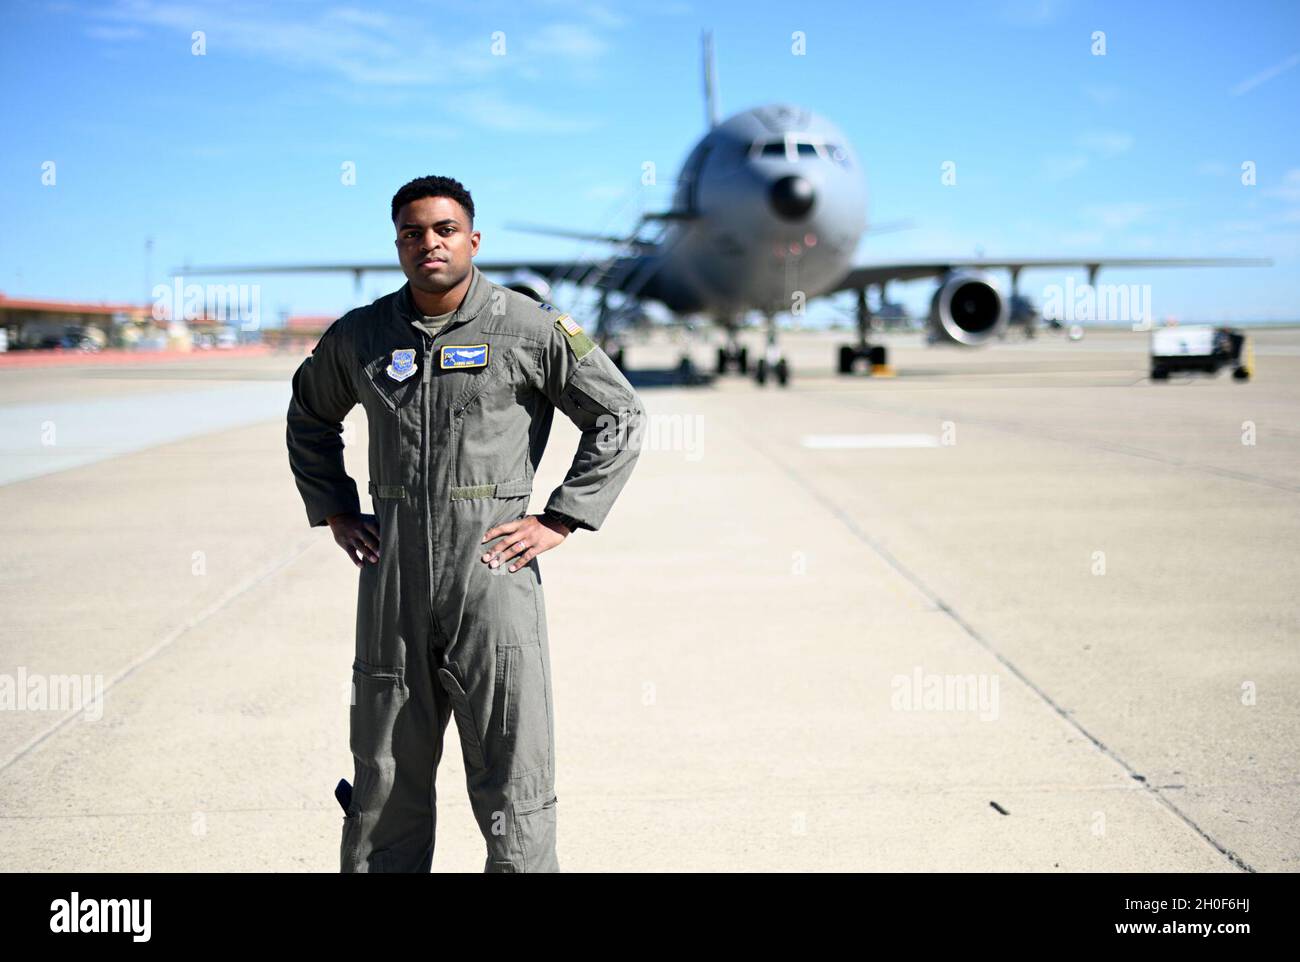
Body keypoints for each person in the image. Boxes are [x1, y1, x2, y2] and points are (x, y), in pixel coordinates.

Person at [286, 175, 645, 872]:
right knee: (384, 775)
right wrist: (334, 506)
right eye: (413, 233)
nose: (430, 244)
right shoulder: (360, 336)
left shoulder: (528, 327)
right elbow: (310, 416)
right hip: (391, 586)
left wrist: (562, 516)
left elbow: (618, 414)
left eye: (444, 230)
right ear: (398, 245)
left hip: (493, 580)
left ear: (472, 240)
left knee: (515, 775)